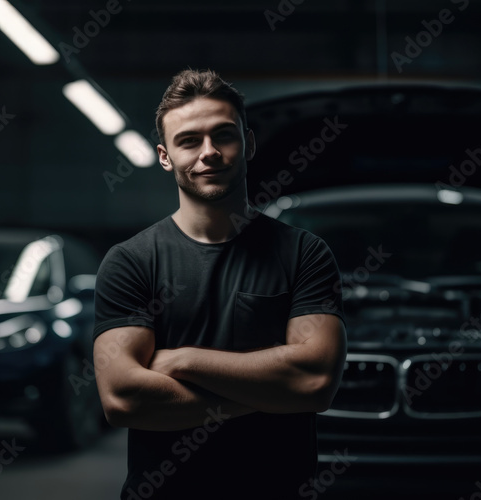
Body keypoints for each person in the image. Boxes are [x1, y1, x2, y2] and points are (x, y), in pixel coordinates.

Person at [93, 69, 347, 500]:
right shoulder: (130, 261)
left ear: (248, 142)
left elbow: (316, 379)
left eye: (223, 136)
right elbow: (123, 398)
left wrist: (183, 360)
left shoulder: (304, 253)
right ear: (165, 156)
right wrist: (271, 395)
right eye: (189, 141)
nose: (208, 153)